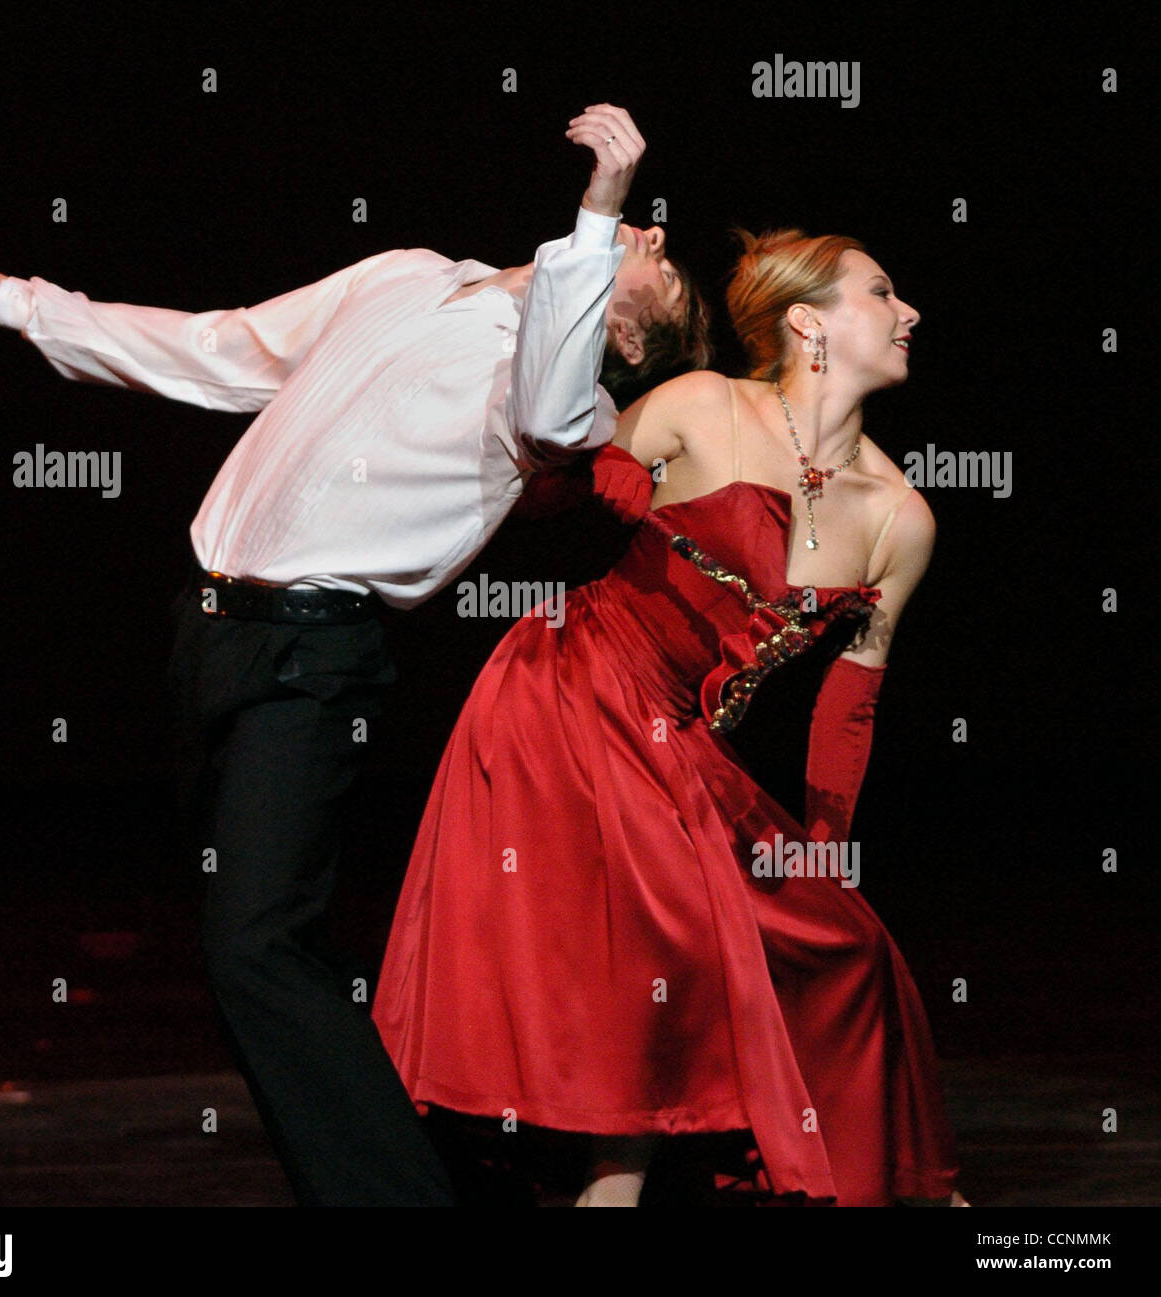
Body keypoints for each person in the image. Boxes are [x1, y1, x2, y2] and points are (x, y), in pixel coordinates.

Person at [0, 105, 713, 1206]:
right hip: (209, 636)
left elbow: (550, 395)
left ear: (623, 344)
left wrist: (602, 212)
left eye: (658, 281)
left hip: (314, 658)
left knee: (255, 944)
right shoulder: (410, 273)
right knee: (244, 948)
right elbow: (224, 351)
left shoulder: (558, 399)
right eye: (649, 248)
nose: (655, 246)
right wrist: (21, 303)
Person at [371, 225, 966, 1206]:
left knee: (850, 949)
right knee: (671, 931)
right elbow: (546, 488)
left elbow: (847, 708)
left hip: (677, 744)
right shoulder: (703, 405)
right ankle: (607, 1184)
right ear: (808, 323)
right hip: (564, 687)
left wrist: (822, 855)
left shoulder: (901, 517)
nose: (909, 314)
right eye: (883, 291)